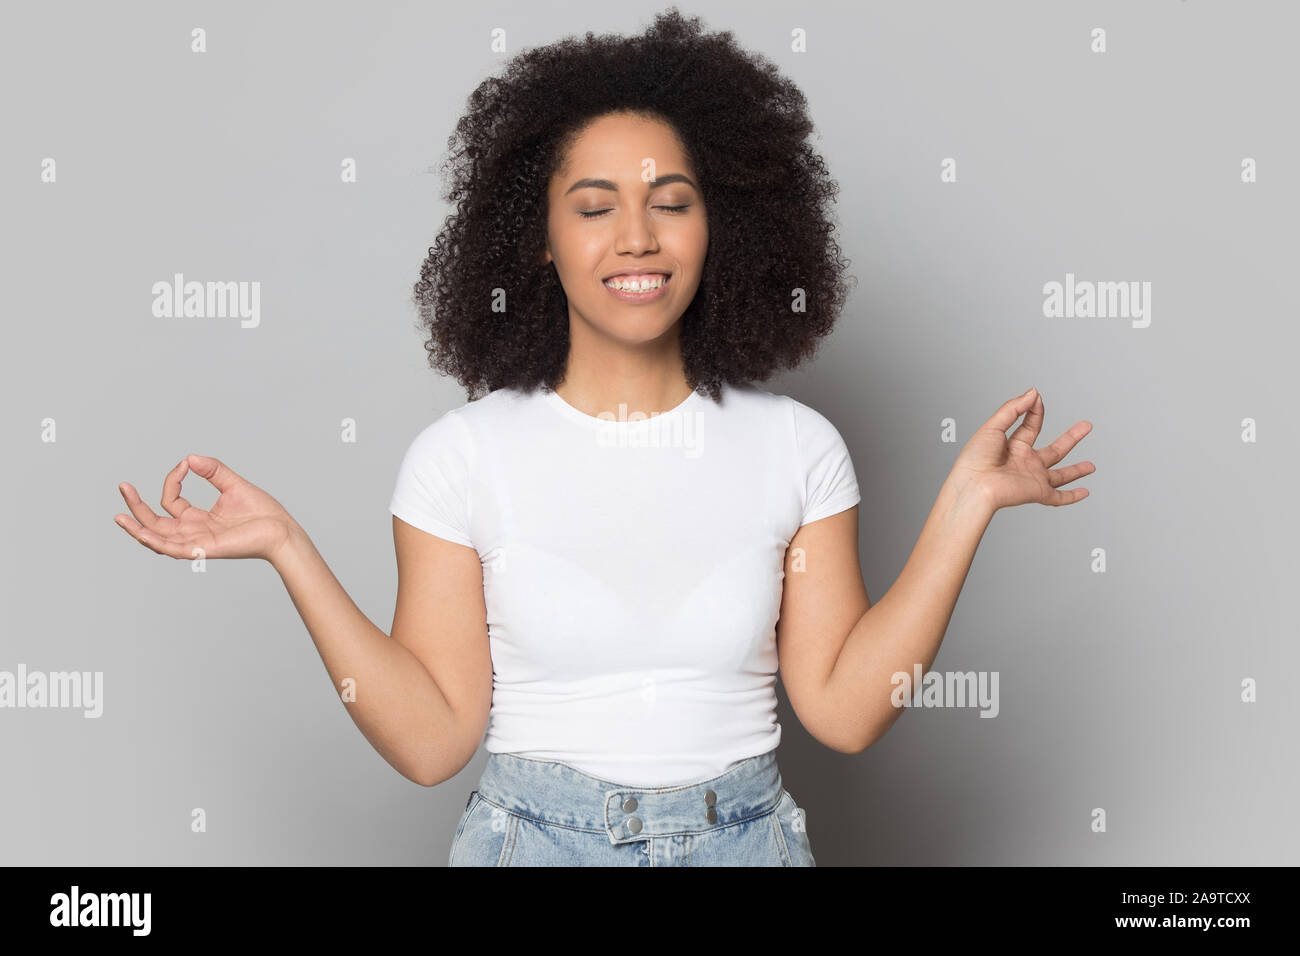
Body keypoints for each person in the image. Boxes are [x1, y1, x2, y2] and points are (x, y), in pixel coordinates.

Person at [112, 8, 1094, 866]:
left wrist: (966, 503)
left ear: (724, 228)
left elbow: (844, 707)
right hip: (530, 842)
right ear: (536, 236)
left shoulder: (798, 448)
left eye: (672, 202)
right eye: (594, 207)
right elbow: (431, 740)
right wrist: (289, 547)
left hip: (745, 841)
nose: (637, 237)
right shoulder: (461, 459)